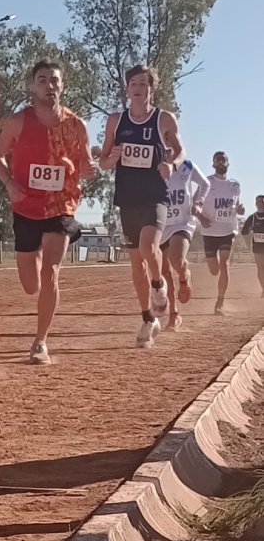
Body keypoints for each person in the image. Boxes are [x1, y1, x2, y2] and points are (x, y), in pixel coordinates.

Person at [0, 59, 97, 364]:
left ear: (62, 85)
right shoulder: (17, 122)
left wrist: (89, 170)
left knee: (51, 271)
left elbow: (86, 165)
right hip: (25, 205)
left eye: (54, 80)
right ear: (32, 86)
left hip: (60, 206)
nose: (49, 86)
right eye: (42, 80)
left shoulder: (77, 125)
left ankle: (40, 343)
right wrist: (10, 184)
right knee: (30, 285)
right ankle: (33, 258)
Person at [99, 65, 185, 349]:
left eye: (143, 83)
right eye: (133, 83)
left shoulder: (163, 119)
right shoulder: (116, 120)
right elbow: (104, 162)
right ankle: (149, 320)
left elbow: (180, 150)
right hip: (127, 197)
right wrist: (113, 157)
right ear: (127, 89)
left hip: (154, 196)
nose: (137, 88)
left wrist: (171, 164)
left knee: (149, 249)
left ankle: (159, 285)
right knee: (136, 262)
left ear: (152, 88)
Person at [159, 153, 210, 330]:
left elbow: (205, 184)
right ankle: (174, 314)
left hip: (182, 222)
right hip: (160, 223)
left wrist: (199, 203)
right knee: (164, 272)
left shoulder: (186, 166)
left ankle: (184, 274)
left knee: (176, 259)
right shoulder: (152, 166)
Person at [199, 152, 245, 315]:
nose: (220, 163)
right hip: (210, 231)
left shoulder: (235, 185)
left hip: (228, 230)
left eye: (223, 161)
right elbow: (195, 204)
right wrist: (200, 217)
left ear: (228, 164)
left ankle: (220, 302)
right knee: (214, 270)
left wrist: (240, 210)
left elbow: (237, 206)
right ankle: (215, 266)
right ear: (213, 164)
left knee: (224, 265)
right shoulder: (206, 182)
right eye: (217, 161)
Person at [241, 194, 264, 297]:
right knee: (260, 268)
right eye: (259, 202)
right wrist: (249, 228)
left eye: (263, 202)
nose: (261, 204)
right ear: (255, 204)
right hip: (258, 247)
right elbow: (243, 232)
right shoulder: (252, 218)